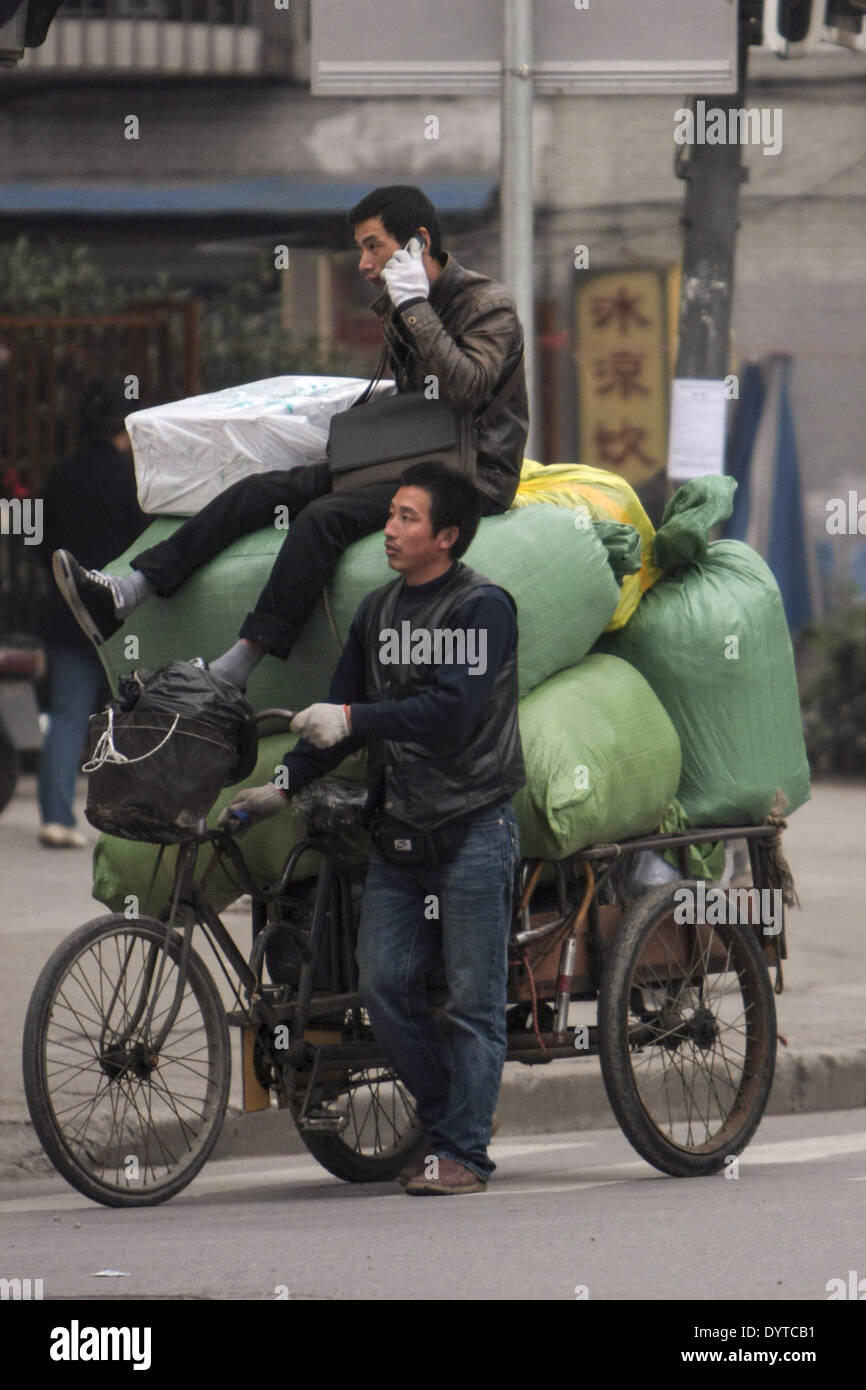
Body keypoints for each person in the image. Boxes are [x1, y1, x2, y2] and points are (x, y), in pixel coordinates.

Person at [52, 185, 528, 691]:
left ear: (418, 242)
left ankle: (237, 665)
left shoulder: (487, 305)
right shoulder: (407, 301)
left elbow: (467, 388)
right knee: (265, 490)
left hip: (471, 476)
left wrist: (413, 305)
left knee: (324, 517)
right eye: (361, 249)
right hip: (415, 460)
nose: (365, 264)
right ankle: (128, 592)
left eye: (373, 246)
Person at [220, 461, 525, 1194]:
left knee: (474, 1004)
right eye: (389, 514)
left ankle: (463, 1155)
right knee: (384, 987)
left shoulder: (481, 609)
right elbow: (340, 714)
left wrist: (353, 717)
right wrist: (283, 785)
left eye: (407, 518)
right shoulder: (379, 612)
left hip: (474, 828)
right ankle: (453, 1118)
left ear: (447, 536)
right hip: (400, 834)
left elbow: (449, 713)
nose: (389, 529)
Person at [36, 383, 148, 846]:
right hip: (124, 616)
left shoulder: (61, 473)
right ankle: (134, 817)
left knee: (67, 715)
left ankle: (56, 818)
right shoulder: (134, 478)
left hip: (68, 614)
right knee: (135, 715)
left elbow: (42, 543)